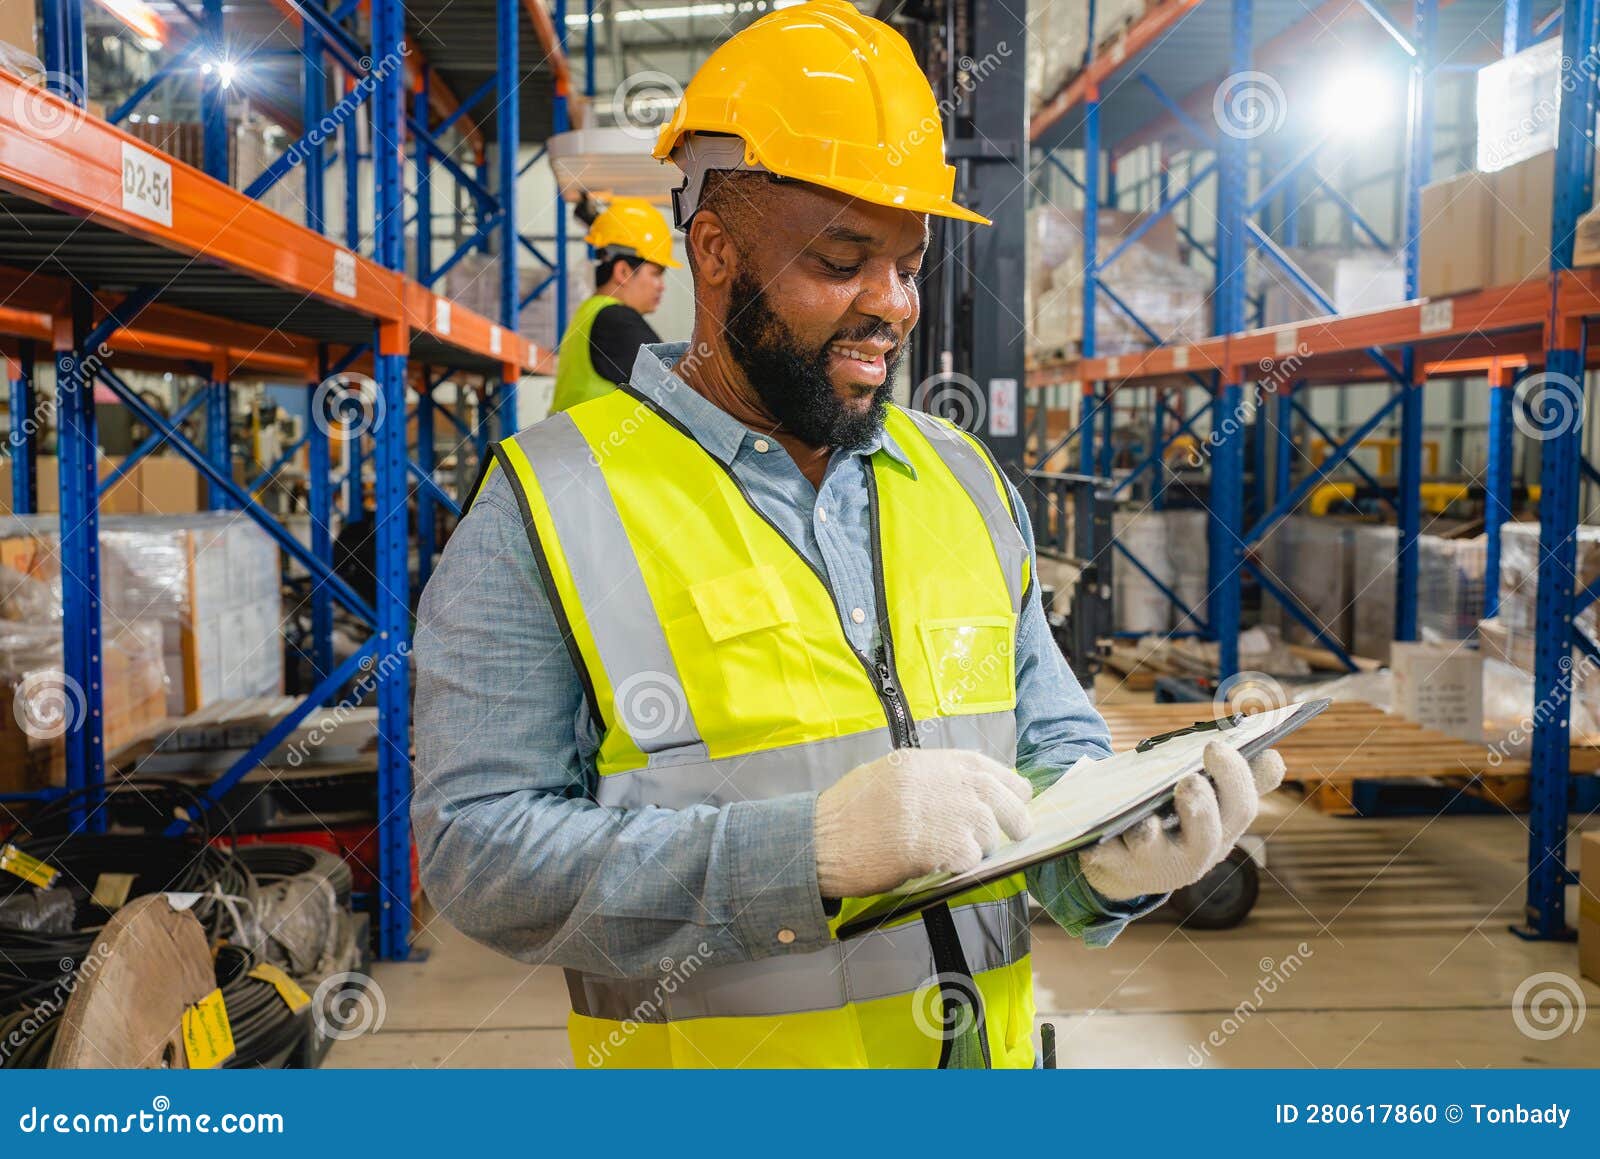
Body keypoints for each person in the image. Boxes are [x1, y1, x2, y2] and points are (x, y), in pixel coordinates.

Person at [413, 0, 1285, 1069]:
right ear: (716, 250)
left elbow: (1051, 745)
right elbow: (477, 856)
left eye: (909, 265)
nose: (893, 304)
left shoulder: (962, 479)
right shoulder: (545, 506)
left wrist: (1111, 851)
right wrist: (800, 853)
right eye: (842, 261)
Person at [548, 196, 679, 413]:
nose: (662, 286)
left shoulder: (591, 313)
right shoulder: (614, 320)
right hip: (595, 447)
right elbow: (678, 394)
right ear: (623, 272)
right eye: (656, 274)